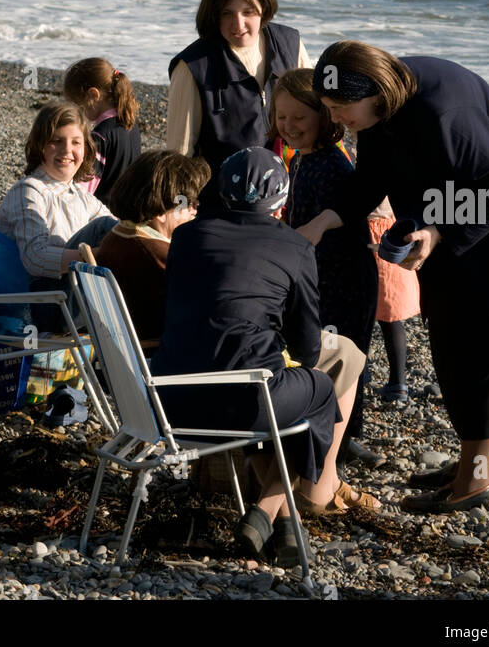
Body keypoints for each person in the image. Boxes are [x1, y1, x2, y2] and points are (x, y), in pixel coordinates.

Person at [300, 40, 489, 513]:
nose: (335, 119)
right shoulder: (379, 109)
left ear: (376, 92)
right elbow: (370, 178)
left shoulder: (444, 113)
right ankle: (473, 462)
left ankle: (475, 483)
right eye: (328, 107)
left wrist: (438, 234)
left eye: (341, 108)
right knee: (449, 339)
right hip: (445, 221)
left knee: (480, 346)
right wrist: (323, 221)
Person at [151, 147, 378, 568]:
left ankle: (284, 523)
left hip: (168, 401)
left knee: (270, 390)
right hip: (246, 405)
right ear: (281, 201)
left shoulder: (186, 236)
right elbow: (310, 348)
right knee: (320, 391)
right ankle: (266, 510)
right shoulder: (293, 246)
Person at [271, 68, 380, 464]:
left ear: (326, 116)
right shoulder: (302, 159)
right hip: (317, 279)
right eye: (281, 117)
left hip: (345, 279)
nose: (289, 125)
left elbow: (345, 220)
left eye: (299, 117)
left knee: (346, 355)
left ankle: (344, 436)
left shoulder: (333, 164)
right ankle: (330, 432)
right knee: (321, 352)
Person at [166, 0, 310, 210]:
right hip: (224, 209)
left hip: (293, 200)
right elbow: (178, 159)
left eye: (248, 12)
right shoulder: (192, 67)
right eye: (226, 13)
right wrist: (180, 220)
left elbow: (319, 118)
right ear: (212, 13)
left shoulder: (290, 44)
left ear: (264, 7)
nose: (238, 25)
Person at [0, 100, 116, 326]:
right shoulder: (29, 190)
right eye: (56, 141)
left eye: (76, 142)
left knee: (119, 230)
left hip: (64, 300)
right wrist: (98, 256)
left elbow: (120, 231)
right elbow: (34, 258)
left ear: (86, 148)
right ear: (40, 145)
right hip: (31, 306)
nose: (67, 150)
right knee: (105, 227)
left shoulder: (82, 196)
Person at [96, 150, 210, 346]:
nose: (194, 209)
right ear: (161, 211)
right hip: (162, 357)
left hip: (131, 354)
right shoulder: (157, 254)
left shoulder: (118, 236)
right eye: (188, 203)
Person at [62, 58, 141, 199]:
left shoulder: (100, 136)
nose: (79, 111)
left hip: (102, 215)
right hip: (125, 210)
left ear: (93, 95)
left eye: (79, 104)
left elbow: (84, 190)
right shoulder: (131, 125)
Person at [367, 197, 420, 403]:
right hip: (391, 232)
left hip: (377, 233)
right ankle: (398, 383)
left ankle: (361, 373)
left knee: (367, 314)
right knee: (390, 316)